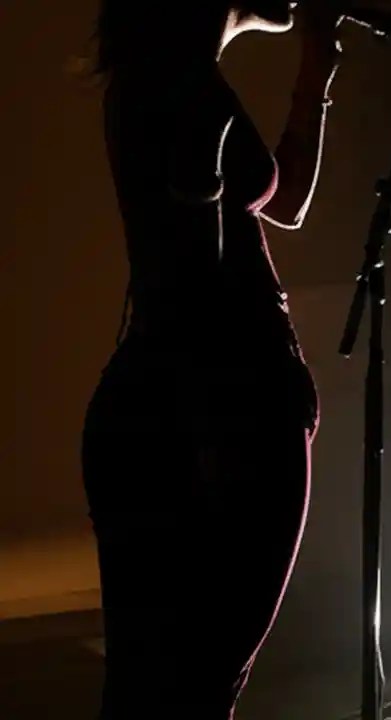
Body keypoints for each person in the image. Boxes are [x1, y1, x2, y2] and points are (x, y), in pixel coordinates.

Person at [80, 1, 342, 716]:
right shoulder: (182, 86)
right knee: (197, 686)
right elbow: (189, 284)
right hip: (225, 405)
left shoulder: (159, 78)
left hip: (165, 397)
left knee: (147, 689)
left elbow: (282, 199)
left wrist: (315, 70)